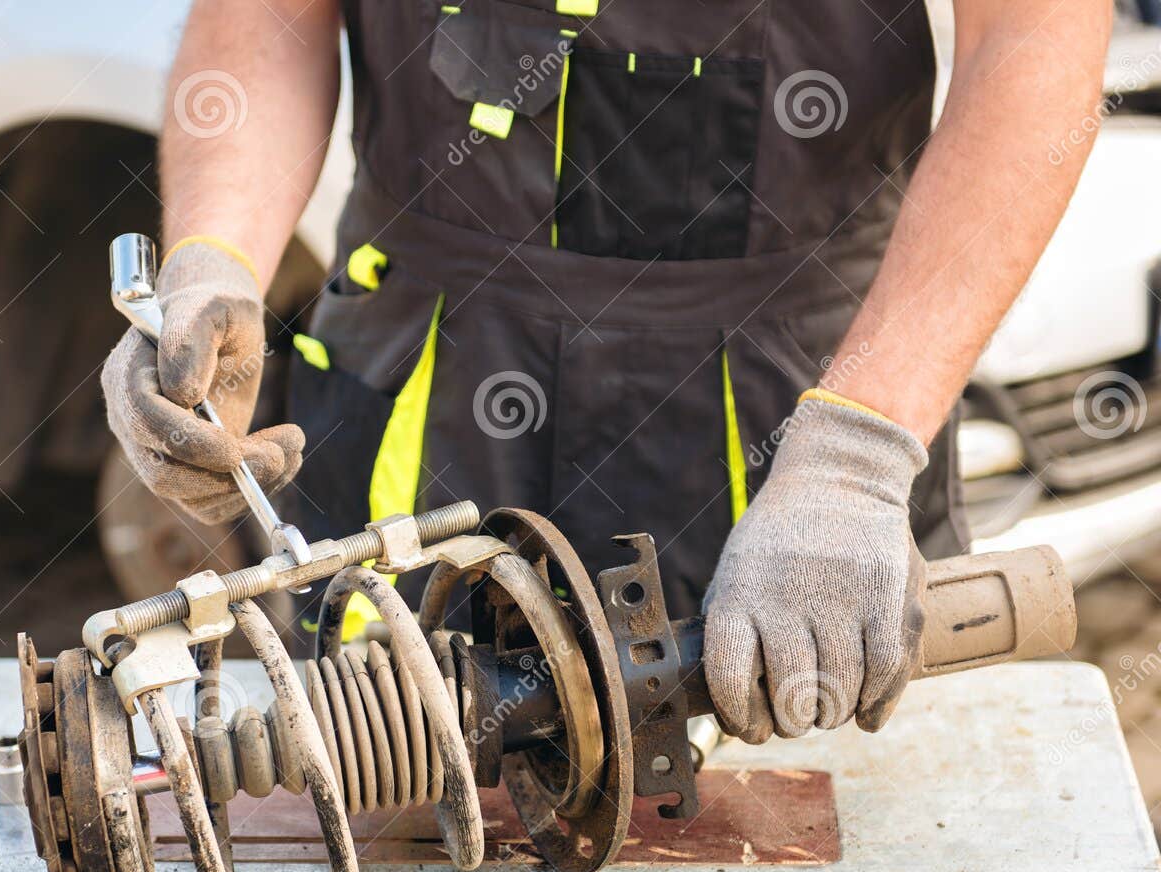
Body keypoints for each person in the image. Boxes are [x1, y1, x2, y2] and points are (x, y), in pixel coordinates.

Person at [102, 0, 1110, 743]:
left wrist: (858, 449)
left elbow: (1038, 40)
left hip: (796, 431)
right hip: (423, 403)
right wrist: (212, 263)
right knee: (388, 858)